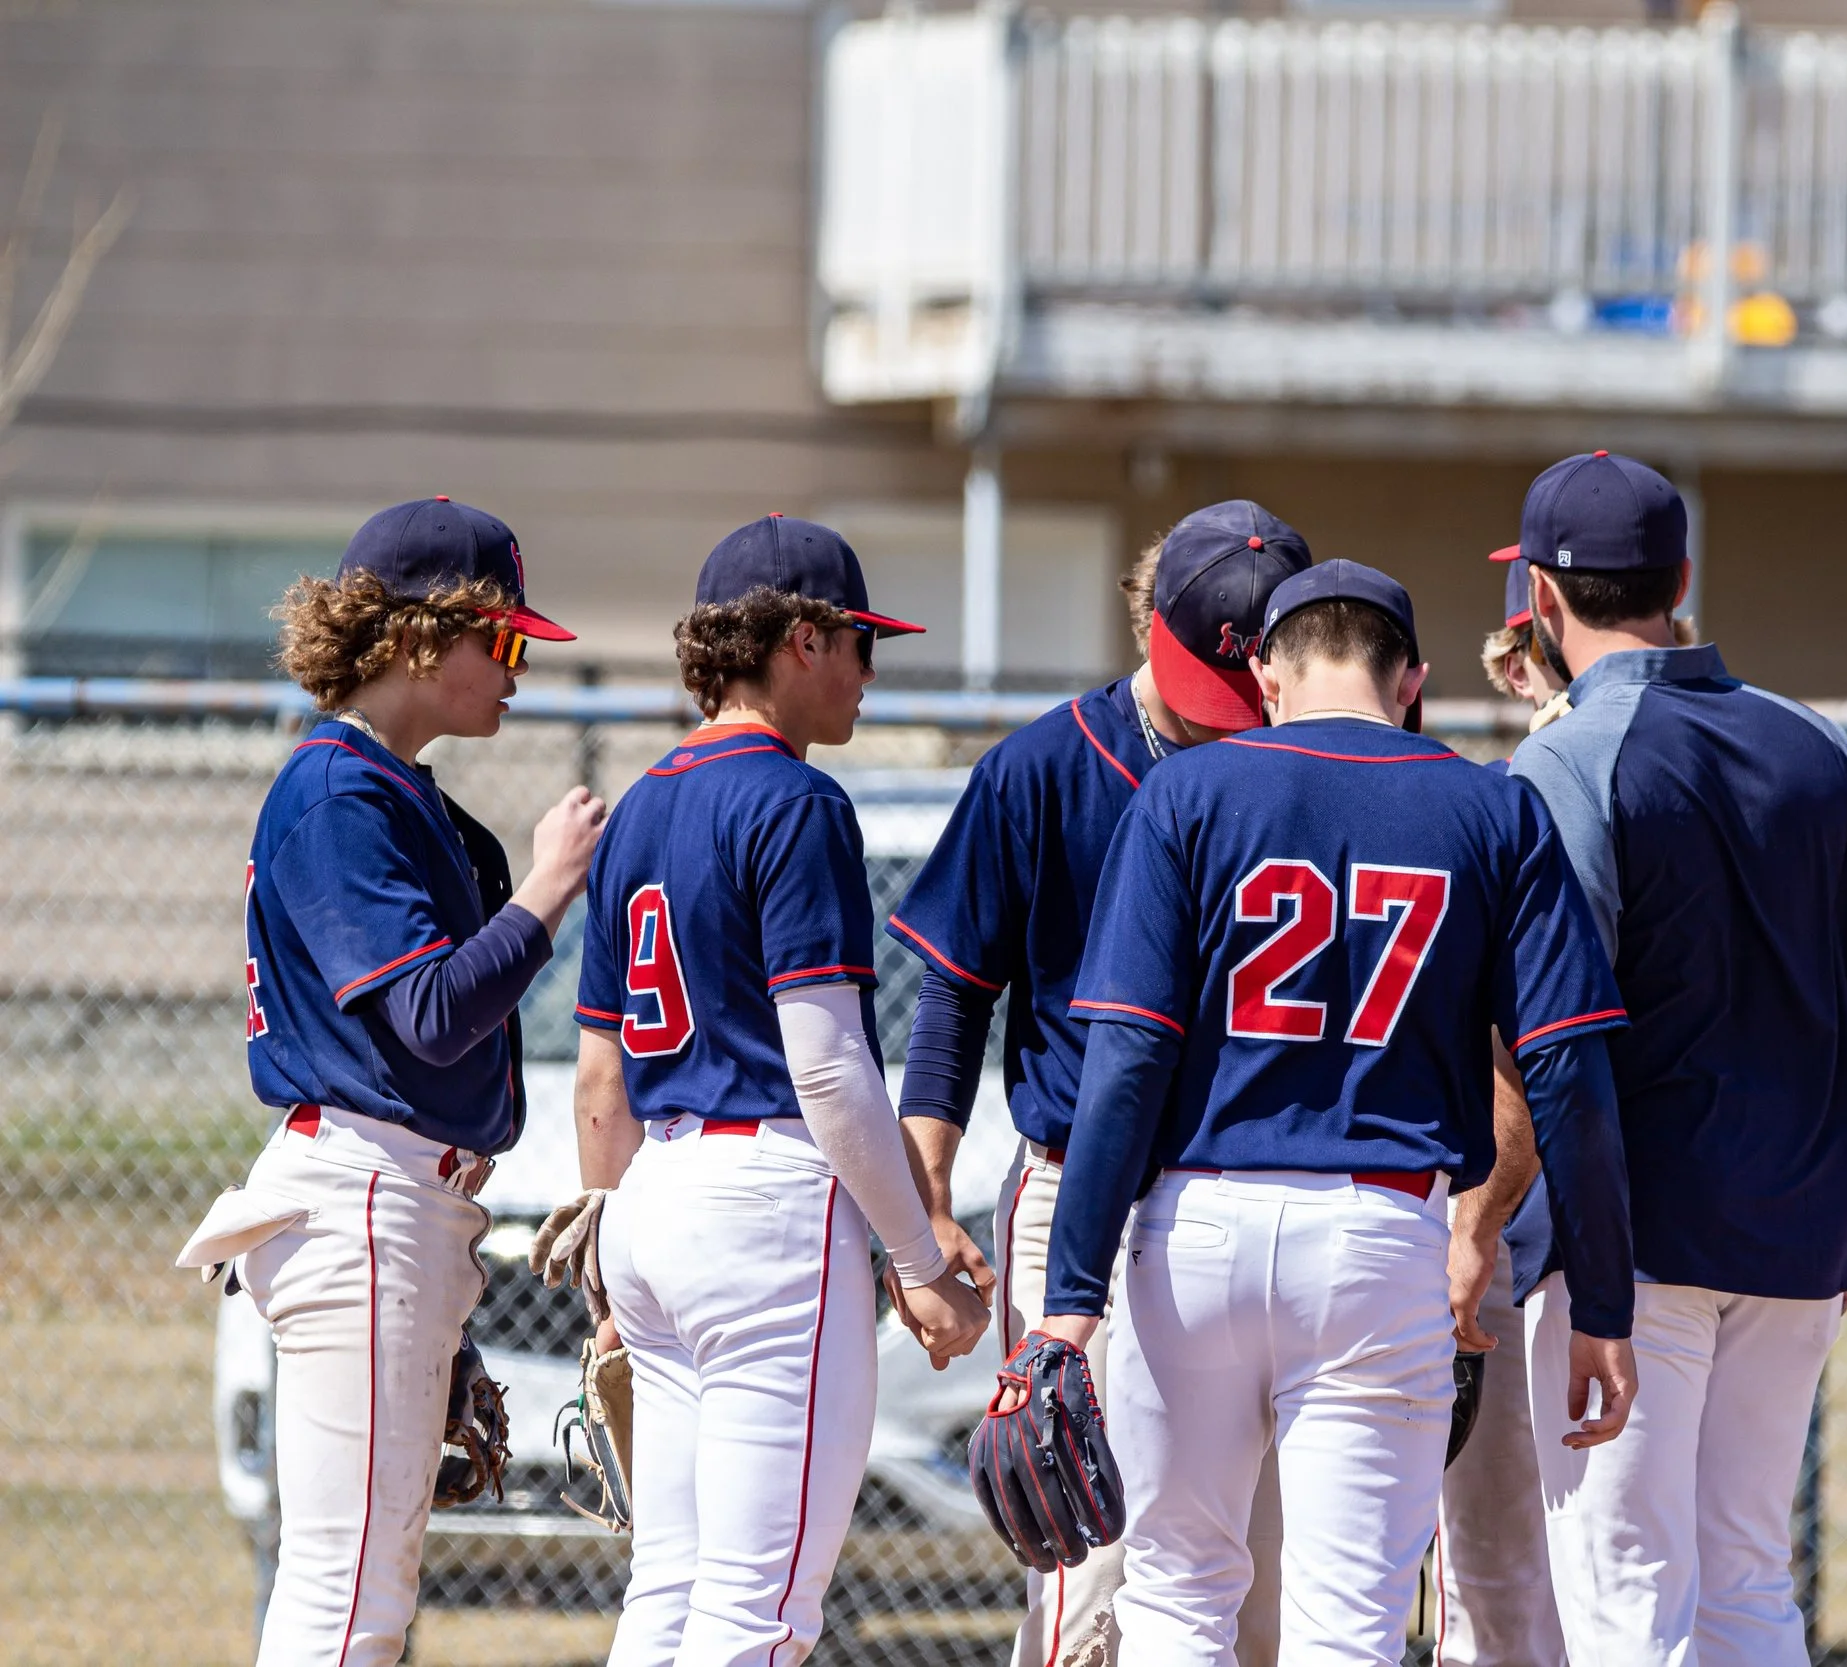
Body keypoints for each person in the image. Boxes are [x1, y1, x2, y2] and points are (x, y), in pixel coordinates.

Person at [1032, 558, 1641, 1667]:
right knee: (1346, 1620)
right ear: (1411, 679)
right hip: (1378, 1231)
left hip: (1193, 1227)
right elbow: (1567, 1073)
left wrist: (1069, 1298)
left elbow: (1123, 1058)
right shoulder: (1491, 803)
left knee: (1174, 1597)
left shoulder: (1185, 793)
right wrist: (1601, 1296)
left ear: (1265, 672)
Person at [1490, 451, 1847, 1667]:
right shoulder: (1813, 742)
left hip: (1632, 1247)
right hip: (1792, 1236)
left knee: (1624, 1587)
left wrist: (1488, 1230)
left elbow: (1545, 1037)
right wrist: (1825, 1197)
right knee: (1745, 1579)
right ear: (1679, 579)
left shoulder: (1568, 757)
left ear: (1537, 593)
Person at [175, 497, 606, 1666]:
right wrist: (548, 891)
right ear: (421, 634)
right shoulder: (337, 792)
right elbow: (426, 1015)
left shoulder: (410, 799)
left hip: (404, 1202)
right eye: (501, 639)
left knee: (368, 1581)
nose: (518, 670)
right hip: (364, 1190)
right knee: (346, 1592)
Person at [886, 499, 1311, 1667]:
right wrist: (922, 1204)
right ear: (1150, 619)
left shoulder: (1311, 767)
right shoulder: (1042, 765)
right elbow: (955, 991)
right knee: (1094, 1581)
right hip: (1080, 1191)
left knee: (1259, 1591)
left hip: (1258, 1204)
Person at [562, 514, 990, 1667]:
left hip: (651, 1193)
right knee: (759, 1613)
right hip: (764, 1206)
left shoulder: (641, 802)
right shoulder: (796, 802)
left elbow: (600, 1075)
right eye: (858, 641)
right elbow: (830, 1065)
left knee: (671, 1590)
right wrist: (915, 1254)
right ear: (801, 639)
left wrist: (609, 1244)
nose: (867, 671)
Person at [1427, 545, 1577, 1667]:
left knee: (1497, 1584)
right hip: (1593, 1248)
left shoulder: (1514, 799)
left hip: (1510, 1248)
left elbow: (1509, 1051)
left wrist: (1473, 1231)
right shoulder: (1500, 796)